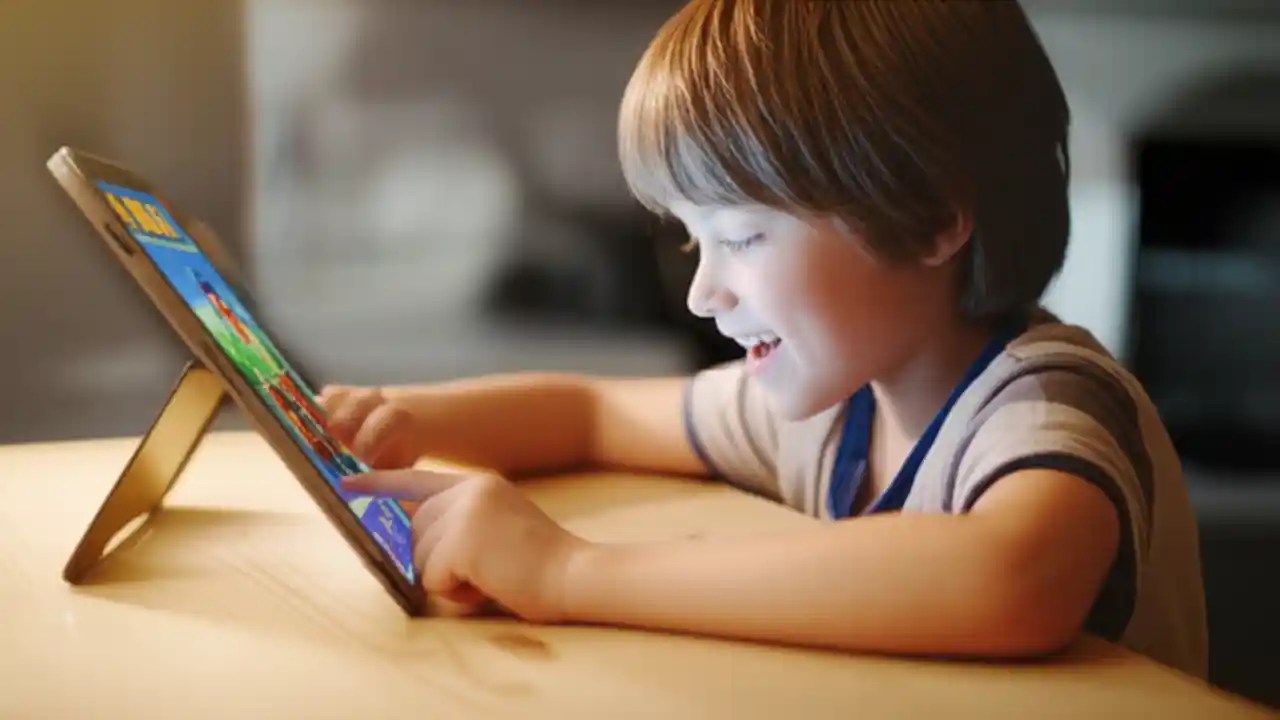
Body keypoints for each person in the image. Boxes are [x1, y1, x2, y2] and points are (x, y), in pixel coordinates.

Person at [320, 0, 1207, 676]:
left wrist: (568, 571)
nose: (705, 292)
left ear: (932, 215)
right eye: (692, 239)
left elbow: (1010, 577)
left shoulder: (1047, 403)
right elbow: (591, 412)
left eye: (741, 237)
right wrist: (402, 419)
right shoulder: (837, 401)